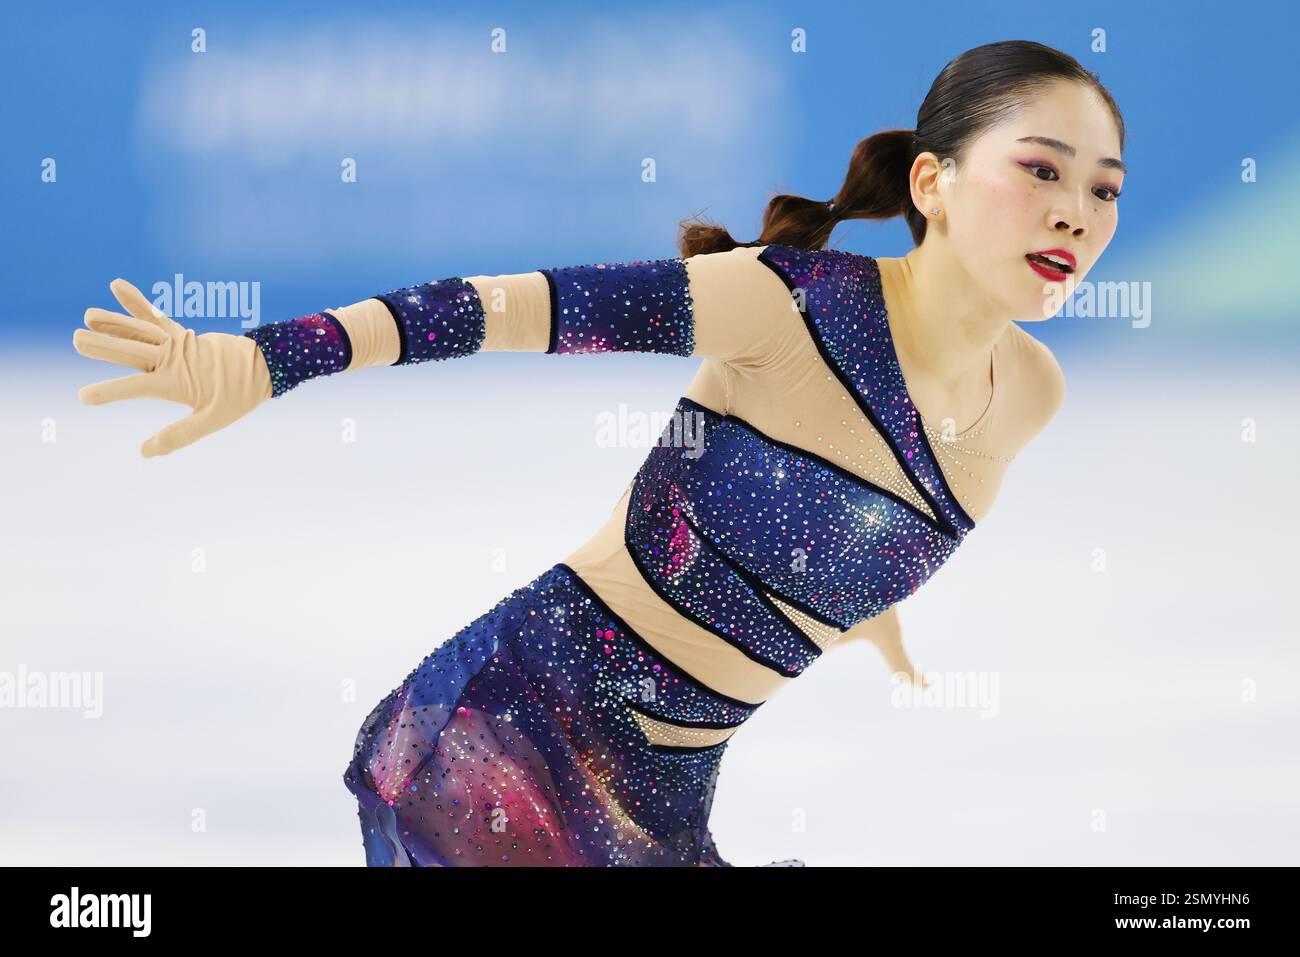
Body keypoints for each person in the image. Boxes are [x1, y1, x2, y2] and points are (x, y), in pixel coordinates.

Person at [71, 39, 1123, 866]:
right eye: (1040, 170)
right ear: (932, 184)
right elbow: (499, 309)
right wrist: (268, 361)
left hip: (662, 801)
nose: (1074, 212)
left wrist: (865, 613)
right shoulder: (783, 306)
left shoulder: (1030, 394)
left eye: (1105, 189)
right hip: (506, 748)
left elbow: (838, 514)